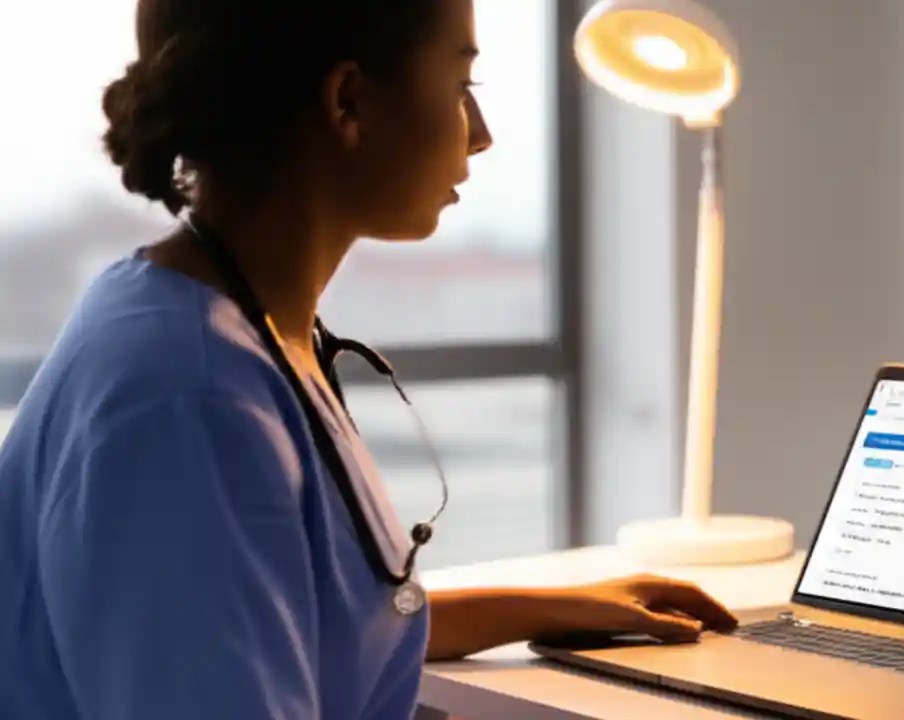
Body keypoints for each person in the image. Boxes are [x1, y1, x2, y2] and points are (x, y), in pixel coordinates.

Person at [0, 0, 737, 717]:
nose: (480, 135)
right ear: (348, 100)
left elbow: (306, 625)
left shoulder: (215, 323)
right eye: (460, 87)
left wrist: (544, 606)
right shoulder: (191, 401)